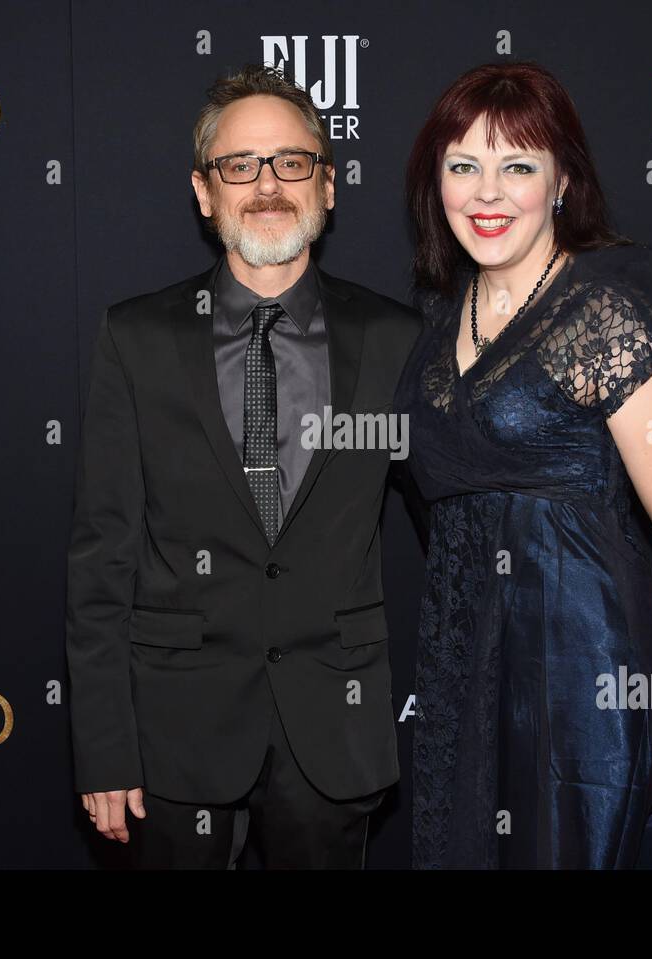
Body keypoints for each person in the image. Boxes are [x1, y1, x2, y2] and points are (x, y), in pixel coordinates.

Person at [65, 63, 421, 868]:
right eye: (240, 165)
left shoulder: (396, 340)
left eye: (292, 162)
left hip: (334, 729)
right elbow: (101, 559)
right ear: (204, 192)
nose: (267, 185)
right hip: (172, 736)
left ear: (327, 186)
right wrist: (104, 748)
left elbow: (458, 519)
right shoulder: (138, 337)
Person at [395, 61, 652, 868]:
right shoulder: (438, 322)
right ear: (436, 183)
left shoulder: (605, 316)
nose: (487, 193)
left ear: (563, 180)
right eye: (463, 165)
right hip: (463, 665)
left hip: (586, 674)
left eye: (519, 166)